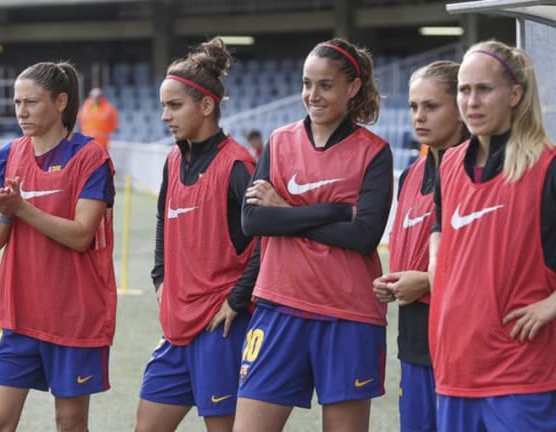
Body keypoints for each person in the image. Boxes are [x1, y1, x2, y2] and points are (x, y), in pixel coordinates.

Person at [234, 37, 393, 432]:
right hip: (278, 306)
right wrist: (334, 212)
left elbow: (363, 235)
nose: (312, 95)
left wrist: (286, 210)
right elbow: (253, 221)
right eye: (307, 83)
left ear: (351, 88)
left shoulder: (374, 152)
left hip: (348, 315)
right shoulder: (280, 141)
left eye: (325, 85)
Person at [0, 61, 116, 432]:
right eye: (16, 102)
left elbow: (80, 235)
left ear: (60, 102)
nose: (21, 112)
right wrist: (7, 214)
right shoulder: (7, 155)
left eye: (32, 102)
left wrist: (21, 207)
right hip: (16, 315)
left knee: (69, 425)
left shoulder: (91, 157)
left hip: (74, 313)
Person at [428, 40, 556, 431]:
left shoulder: (547, 168)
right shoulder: (448, 163)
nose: (471, 101)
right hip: (454, 368)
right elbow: (440, 227)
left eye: (484, 89)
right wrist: (436, 262)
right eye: (464, 90)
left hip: (520, 374)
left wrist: (551, 305)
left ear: (515, 94)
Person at [134, 38, 259, 432]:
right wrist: (160, 277)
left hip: (219, 329)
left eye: (174, 106)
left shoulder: (238, 165)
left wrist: (237, 301)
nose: (164, 116)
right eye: (163, 106)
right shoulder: (173, 158)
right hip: (177, 324)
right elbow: (162, 222)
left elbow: (270, 241)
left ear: (206, 106)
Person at [373, 60, 465, 432]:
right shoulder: (411, 173)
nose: (418, 117)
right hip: (413, 341)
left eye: (431, 106)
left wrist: (426, 282)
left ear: (460, 109)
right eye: (413, 107)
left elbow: (488, 258)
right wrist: (394, 282)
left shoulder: (477, 174)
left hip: (461, 343)